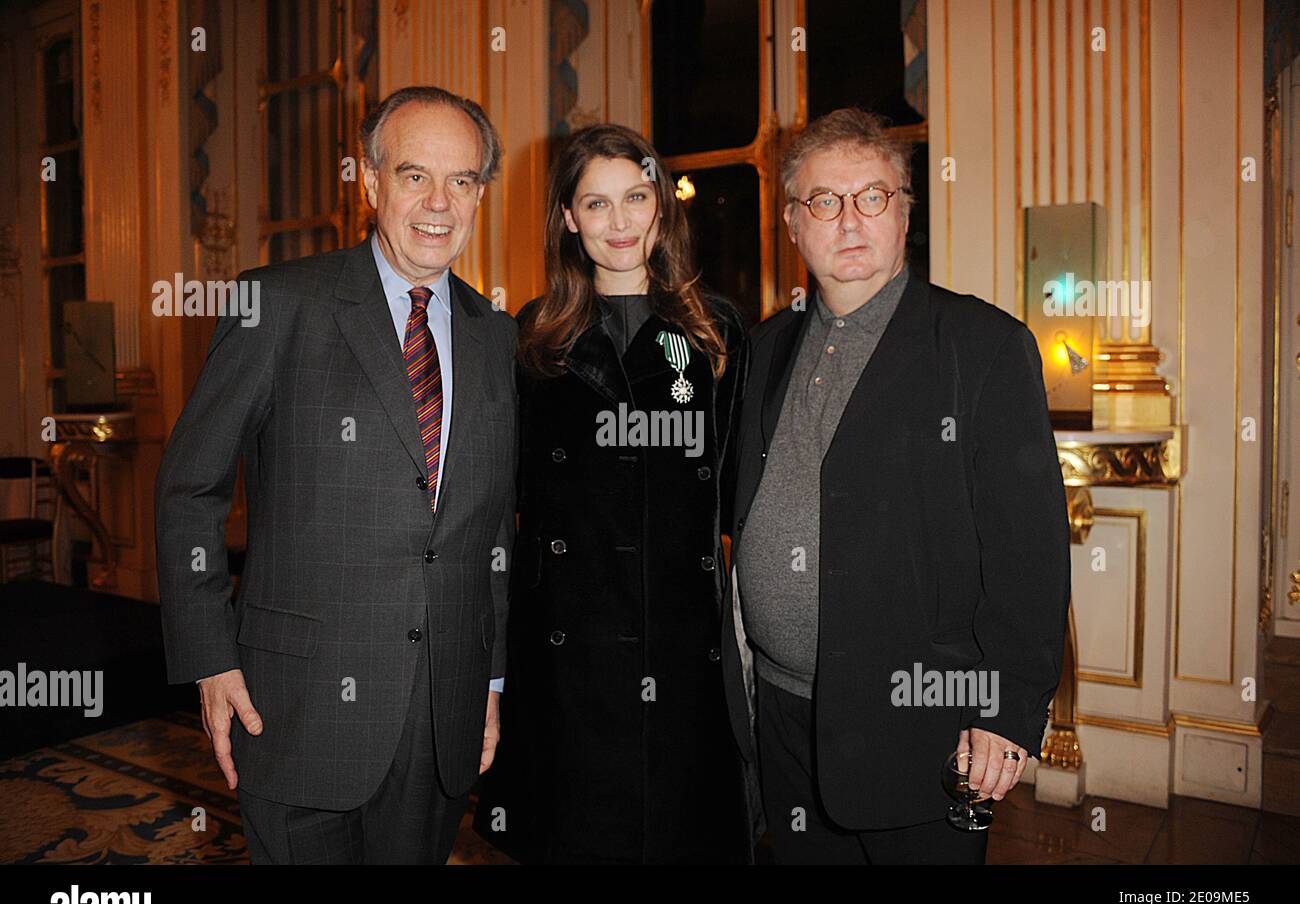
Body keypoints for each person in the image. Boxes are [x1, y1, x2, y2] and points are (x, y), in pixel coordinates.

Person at [155, 86, 517, 864]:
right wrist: (211, 655)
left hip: (440, 718)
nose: (439, 203)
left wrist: (488, 681)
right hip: (297, 711)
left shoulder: (497, 337)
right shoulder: (276, 303)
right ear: (369, 180)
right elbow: (190, 490)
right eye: (415, 174)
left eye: (462, 181)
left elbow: (490, 532)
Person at [720, 107, 1070, 864]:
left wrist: (1005, 712)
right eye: (824, 200)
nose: (849, 220)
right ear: (792, 221)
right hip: (782, 719)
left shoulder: (981, 348)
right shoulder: (765, 347)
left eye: (872, 196)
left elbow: (1030, 554)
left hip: (921, 725)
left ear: (904, 211)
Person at [473, 123, 752, 864]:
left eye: (635, 197)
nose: (620, 222)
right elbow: (503, 511)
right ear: (568, 217)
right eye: (597, 205)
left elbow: (740, 496)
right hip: (568, 658)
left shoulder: (715, 333)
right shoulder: (532, 338)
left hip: (683, 648)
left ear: (660, 204)